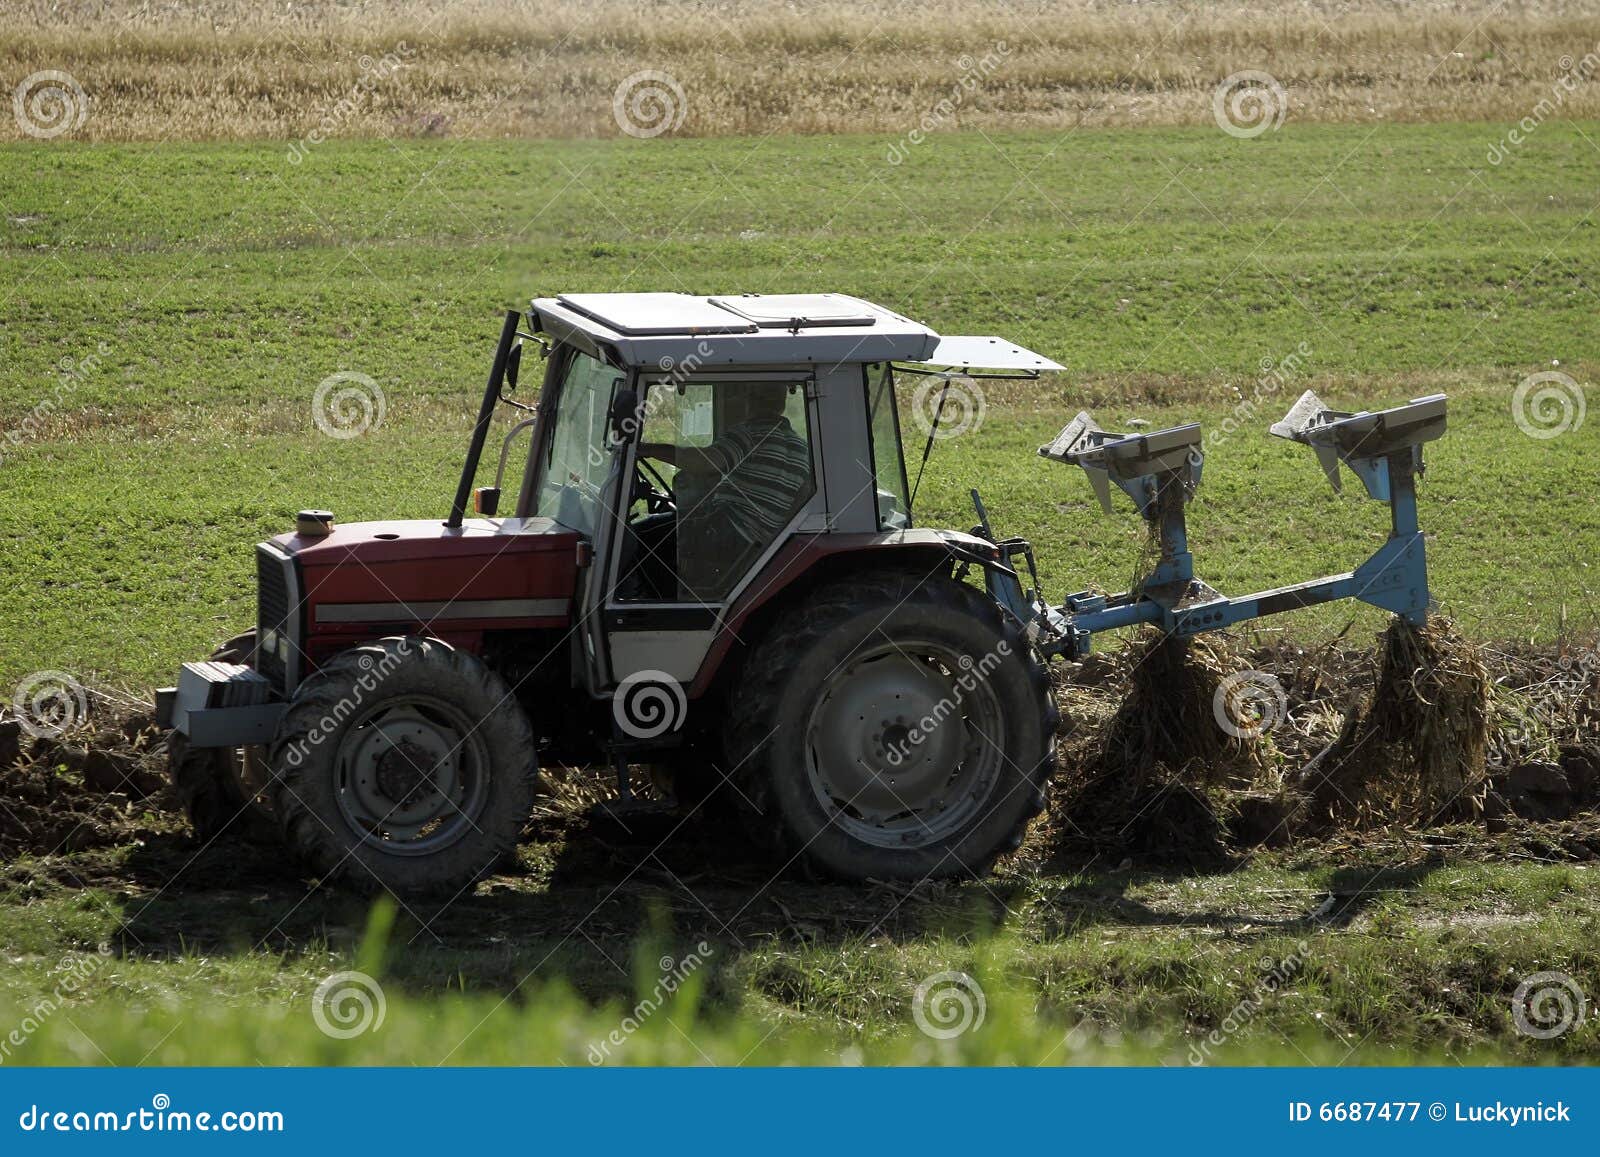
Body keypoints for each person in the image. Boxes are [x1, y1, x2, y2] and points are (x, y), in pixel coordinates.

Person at [638, 385, 810, 599]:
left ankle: (662, 606)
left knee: (641, 537)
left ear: (751, 400)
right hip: (760, 541)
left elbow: (705, 462)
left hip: (730, 529)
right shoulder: (801, 447)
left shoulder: (751, 433)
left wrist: (648, 449)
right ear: (781, 404)